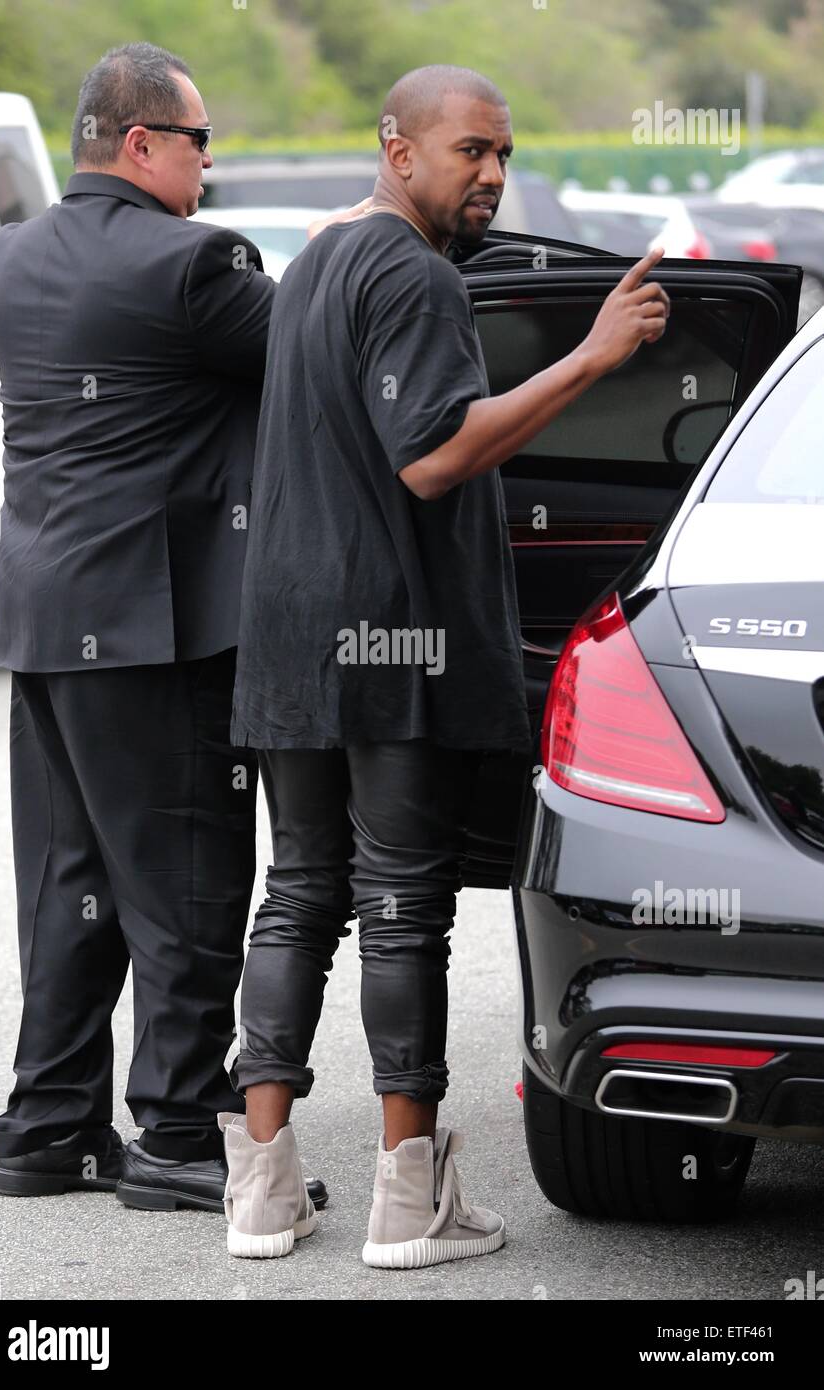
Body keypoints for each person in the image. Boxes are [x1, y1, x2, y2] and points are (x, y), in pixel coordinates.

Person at [221, 63, 670, 1266]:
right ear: (397, 147)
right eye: (470, 150)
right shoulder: (413, 276)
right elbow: (429, 458)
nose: (491, 173)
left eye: (503, 154)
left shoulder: (317, 259)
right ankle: (405, 1199)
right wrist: (589, 359)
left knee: (301, 891)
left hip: (288, 633)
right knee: (400, 905)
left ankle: (261, 1189)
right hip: (386, 637)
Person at [0, 42, 337, 1214]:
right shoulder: (196, 266)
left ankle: (47, 1126)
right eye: (199, 145)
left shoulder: (9, 258)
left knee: (70, 882)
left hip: (42, 619)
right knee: (183, 879)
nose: (209, 167)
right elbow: (314, 362)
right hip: (157, 627)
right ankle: (179, 1132)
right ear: (142, 145)